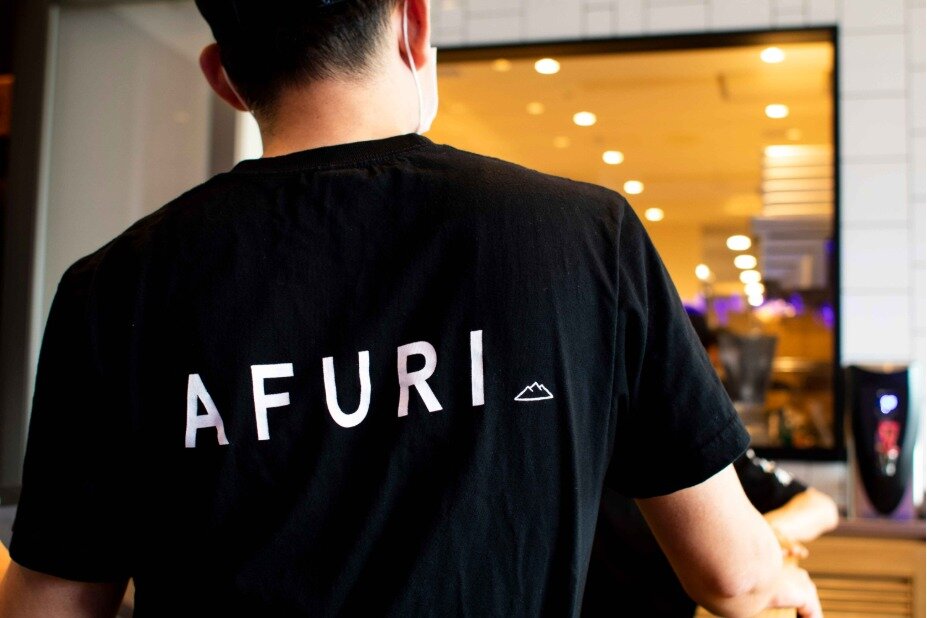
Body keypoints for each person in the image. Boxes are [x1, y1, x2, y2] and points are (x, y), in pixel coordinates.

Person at [0, 1, 822, 616]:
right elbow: (730, 575)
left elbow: (52, 607)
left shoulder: (111, 288)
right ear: (413, 24)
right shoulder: (585, 238)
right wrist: (779, 578)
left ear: (225, 79)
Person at [582, 311, 838, 616]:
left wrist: (766, 536)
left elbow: (822, 507)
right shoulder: (594, 445)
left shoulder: (702, 449)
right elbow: (734, 583)